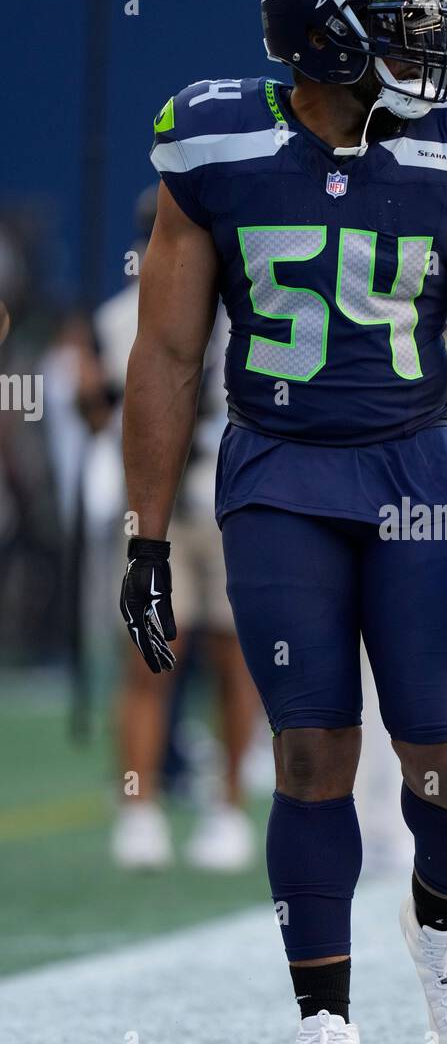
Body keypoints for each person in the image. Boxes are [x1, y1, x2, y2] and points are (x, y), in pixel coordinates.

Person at [120, 0, 447, 1044]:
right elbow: (163, 351)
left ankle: (441, 926)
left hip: (413, 473)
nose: (427, 52)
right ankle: (324, 1025)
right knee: (308, 751)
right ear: (324, 39)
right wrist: (143, 535)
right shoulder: (213, 141)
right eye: (399, 28)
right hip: (277, 474)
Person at [100, 191, 258, 871]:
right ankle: (139, 805)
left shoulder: (249, 314)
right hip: (154, 511)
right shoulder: (118, 317)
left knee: (234, 660)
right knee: (149, 658)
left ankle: (226, 806)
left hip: (229, 505)